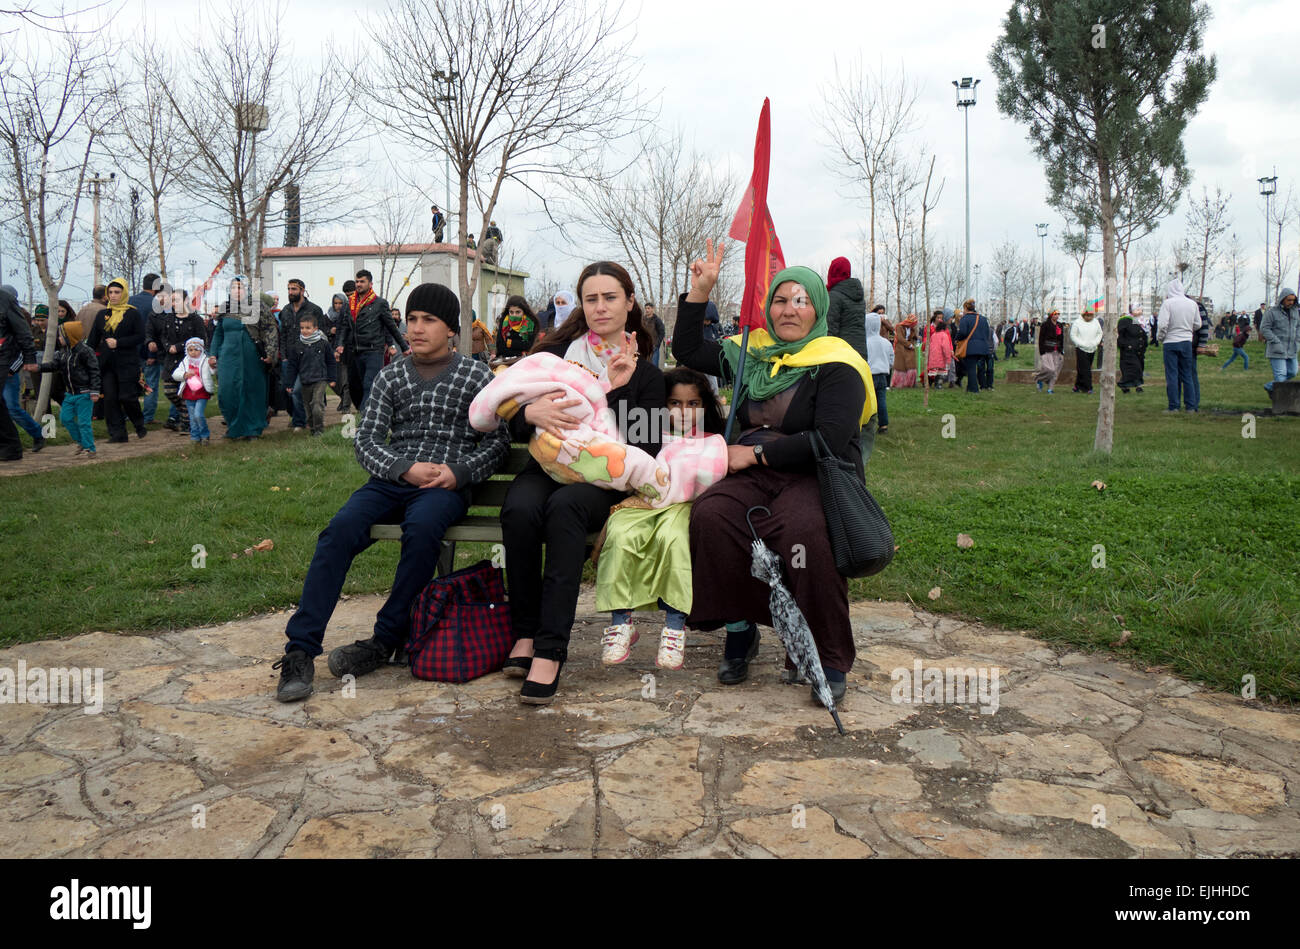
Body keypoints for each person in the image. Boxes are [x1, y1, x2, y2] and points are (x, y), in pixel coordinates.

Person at [274, 283, 511, 702]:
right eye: (413, 319)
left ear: (452, 329)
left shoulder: (477, 376)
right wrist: (403, 469)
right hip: (391, 480)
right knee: (339, 532)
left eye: (429, 321)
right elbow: (366, 440)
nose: (417, 329)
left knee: (422, 532)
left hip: (443, 484)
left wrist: (459, 472)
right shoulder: (391, 375)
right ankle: (300, 650)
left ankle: (386, 639)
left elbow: (497, 441)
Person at [672, 245, 873, 703]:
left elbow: (830, 440)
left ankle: (825, 652)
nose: (789, 309)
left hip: (815, 473)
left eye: (801, 300)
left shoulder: (837, 361)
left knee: (805, 536)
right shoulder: (752, 354)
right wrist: (700, 291)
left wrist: (753, 457)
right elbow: (686, 348)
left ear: (817, 307)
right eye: (781, 300)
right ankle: (741, 630)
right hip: (753, 474)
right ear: (768, 307)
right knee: (712, 517)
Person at [499, 261, 663, 706]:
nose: (600, 307)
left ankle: (551, 650)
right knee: (519, 508)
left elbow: (643, 444)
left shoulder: (647, 375)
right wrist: (528, 414)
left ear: (630, 303)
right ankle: (526, 634)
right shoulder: (555, 355)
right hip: (546, 467)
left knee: (565, 509)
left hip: (601, 480)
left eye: (610, 297)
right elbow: (506, 409)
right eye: (591, 298)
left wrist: (612, 390)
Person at [595, 366, 725, 670]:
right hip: (642, 505)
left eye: (693, 404)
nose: (683, 412)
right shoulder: (650, 435)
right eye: (674, 403)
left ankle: (674, 625)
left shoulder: (712, 440)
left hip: (682, 506)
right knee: (621, 533)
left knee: (675, 539)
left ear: (705, 406)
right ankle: (621, 621)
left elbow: (707, 474)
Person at [208, 276, 276, 439]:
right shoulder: (225, 308)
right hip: (228, 357)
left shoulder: (258, 307)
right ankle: (234, 427)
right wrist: (212, 353)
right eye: (233, 288)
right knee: (227, 392)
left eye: (240, 287)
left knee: (252, 391)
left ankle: (253, 429)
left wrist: (271, 353)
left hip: (252, 356)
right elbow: (218, 333)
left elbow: (270, 329)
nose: (237, 291)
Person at [334, 269, 407, 411]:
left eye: (362, 281)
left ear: (370, 283)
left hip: (374, 350)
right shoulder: (350, 303)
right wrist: (340, 344)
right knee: (354, 386)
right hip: (355, 351)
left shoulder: (380, 303)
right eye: (357, 281)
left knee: (369, 383)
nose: (359, 284)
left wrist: (404, 347)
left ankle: (365, 417)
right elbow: (344, 326)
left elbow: (391, 326)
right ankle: (367, 410)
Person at [89, 277, 148, 442]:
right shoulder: (102, 315)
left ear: (124, 293)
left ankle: (138, 423)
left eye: (117, 292)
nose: (113, 295)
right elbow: (93, 339)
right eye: (111, 292)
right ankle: (118, 433)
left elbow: (140, 337)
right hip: (107, 364)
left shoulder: (132, 314)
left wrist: (119, 343)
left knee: (127, 397)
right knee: (110, 398)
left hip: (127, 363)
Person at [148, 288, 205, 433]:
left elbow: (200, 339)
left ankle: (188, 423)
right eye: (172, 300)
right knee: (169, 390)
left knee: (186, 392)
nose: (173, 303)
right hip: (171, 360)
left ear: (185, 301)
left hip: (188, 361)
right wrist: (168, 347)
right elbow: (163, 336)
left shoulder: (195, 320)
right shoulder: (168, 319)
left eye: (176, 300)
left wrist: (179, 347)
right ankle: (188, 417)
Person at [0, 284, 41, 460]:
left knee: (12, 408)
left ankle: (37, 434)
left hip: (9, 368)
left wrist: (14, 368)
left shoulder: (16, 314)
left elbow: (23, 341)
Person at [280, 279, 324, 431]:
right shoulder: (285, 311)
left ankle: (302, 422)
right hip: (290, 359)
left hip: (309, 358)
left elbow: (322, 335)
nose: (291, 292)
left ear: (302, 290)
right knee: (288, 391)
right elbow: (283, 335)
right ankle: (299, 417)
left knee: (300, 391)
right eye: (289, 289)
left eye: (294, 289)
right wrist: (284, 355)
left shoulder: (314, 310)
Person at [283, 312, 336, 436]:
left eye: (308, 328)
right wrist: (289, 383)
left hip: (320, 379)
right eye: (302, 328)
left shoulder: (323, 344)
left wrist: (332, 378)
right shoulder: (297, 345)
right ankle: (312, 428)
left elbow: (331, 362)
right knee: (308, 408)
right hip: (305, 380)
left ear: (315, 329)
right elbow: (292, 366)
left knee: (317, 404)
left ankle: (319, 429)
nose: (304, 330)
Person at [1156, 278, 1201, 412]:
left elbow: (1163, 324)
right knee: (1187, 374)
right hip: (1186, 342)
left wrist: (1161, 338)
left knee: (1172, 374)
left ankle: (1174, 406)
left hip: (1170, 342)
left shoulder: (1168, 303)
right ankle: (1190, 406)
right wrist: (1188, 330)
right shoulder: (1192, 304)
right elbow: (1198, 324)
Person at [130, 274, 163, 424]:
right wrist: (152, 353)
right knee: (150, 385)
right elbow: (155, 331)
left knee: (130, 384)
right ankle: (148, 417)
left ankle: (129, 414)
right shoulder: (155, 304)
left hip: (130, 350)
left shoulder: (129, 301)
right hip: (148, 350)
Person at [173, 337, 214, 445]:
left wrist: (212, 365)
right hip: (188, 392)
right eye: (190, 350)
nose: (193, 352)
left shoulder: (205, 360)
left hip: (202, 392)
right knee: (192, 417)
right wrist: (184, 375)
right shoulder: (185, 362)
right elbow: (175, 374)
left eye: (196, 349)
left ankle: (205, 434)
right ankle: (195, 436)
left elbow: (213, 371)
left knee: (198, 414)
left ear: (201, 349)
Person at [826, 256, 867, 364]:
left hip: (842, 355)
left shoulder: (833, 296)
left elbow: (830, 330)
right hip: (860, 352)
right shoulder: (859, 298)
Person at [1259, 288, 1299, 395]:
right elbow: (1264, 329)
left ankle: (1270, 386)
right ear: (1282, 299)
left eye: (1293, 300)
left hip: (1292, 349)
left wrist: (1297, 340)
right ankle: (1280, 401)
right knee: (1281, 376)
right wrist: (1275, 341)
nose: (1291, 302)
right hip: (1276, 349)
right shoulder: (1271, 312)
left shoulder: (1296, 312)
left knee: (1292, 372)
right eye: (1289, 300)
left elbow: (1298, 327)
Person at [865, 307, 894, 438]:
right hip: (882, 375)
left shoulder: (865, 343)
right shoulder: (886, 342)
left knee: (867, 400)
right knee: (881, 400)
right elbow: (891, 359)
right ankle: (883, 425)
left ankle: (866, 422)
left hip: (869, 375)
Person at [954, 299, 994, 393]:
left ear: (966, 308)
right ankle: (970, 387)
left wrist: (956, 338)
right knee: (976, 367)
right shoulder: (983, 319)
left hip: (970, 347)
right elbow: (987, 332)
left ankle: (974, 390)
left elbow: (963, 332)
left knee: (971, 368)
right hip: (983, 347)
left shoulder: (965, 319)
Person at [327, 292, 352, 411]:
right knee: (332, 379)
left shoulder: (349, 315)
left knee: (345, 379)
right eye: (336, 303)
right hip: (330, 350)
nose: (338, 306)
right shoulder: (327, 316)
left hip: (345, 350)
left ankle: (346, 404)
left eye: (341, 303)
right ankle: (343, 398)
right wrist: (329, 331)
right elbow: (321, 329)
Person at [494, 294, 537, 361]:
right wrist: (521, 350)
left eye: (518, 312)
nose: (514, 315)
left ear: (524, 311)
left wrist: (510, 343)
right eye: (511, 312)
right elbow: (500, 347)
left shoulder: (530, 323)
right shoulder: (503, 322)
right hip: (505, 360)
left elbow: (531, 345)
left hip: (526, 360)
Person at [1069, 310, 1102, 394]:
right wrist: (1080, 344)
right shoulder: (1077, 322)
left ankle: (1077, 386)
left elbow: (1099, 333)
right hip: (1081, 348)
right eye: (1086, 316)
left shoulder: (1096, 322)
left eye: (1090, 316)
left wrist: (1095, 342)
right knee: (1086, 369)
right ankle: (1088, 388)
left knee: (1081, 369)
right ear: (1083, 315)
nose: (1088, 317)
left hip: (1092, 348)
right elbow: (1073, 335)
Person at [1034, 309, 1065, 393]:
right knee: (1049, 369)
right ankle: (1039, 378)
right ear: (1051, 315)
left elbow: (1061, 339)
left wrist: (1061, 351)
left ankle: (1050, 389)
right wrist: (1042, 351)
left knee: (1055, 372)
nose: (1057, 316)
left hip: (1057, 351)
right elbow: (1041, 339)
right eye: (1055, 314)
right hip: (1047, 350)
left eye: (1058, 314)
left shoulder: (1060, 325)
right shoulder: (1045, 325)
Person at [1117, 311, 1148, 392]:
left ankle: (1136, 385)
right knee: (1132, 369)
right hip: (1128, 351)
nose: (1139, 311)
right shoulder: (1124, 320)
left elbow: (1144, 334)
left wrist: (1144, 345)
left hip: (1139, 351)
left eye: (1140, 309)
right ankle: (1128, 385)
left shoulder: (1141, 320)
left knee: (1139, 368)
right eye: (1136, 309)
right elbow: (1120, 335)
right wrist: (1126, 346)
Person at [926, 314, 954, 389]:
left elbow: (930, 345)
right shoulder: (944, 335)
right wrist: (948, 358)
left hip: (933, 357)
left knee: (935, 372)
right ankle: (938, 385)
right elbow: (945, 347)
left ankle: (932, 384)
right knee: (941, 373)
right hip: (941, 357)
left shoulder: (933, 335)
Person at [644, 302, 667, 367]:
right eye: (646, 308)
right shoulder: (643, 320)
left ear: (652, 309)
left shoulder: (657, 320)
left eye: (648, 308)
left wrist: (657, 344)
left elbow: (662, 332)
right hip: (645, 347)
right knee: (644, 366)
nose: (647, 310)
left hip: (654, 347)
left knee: (654, 366)